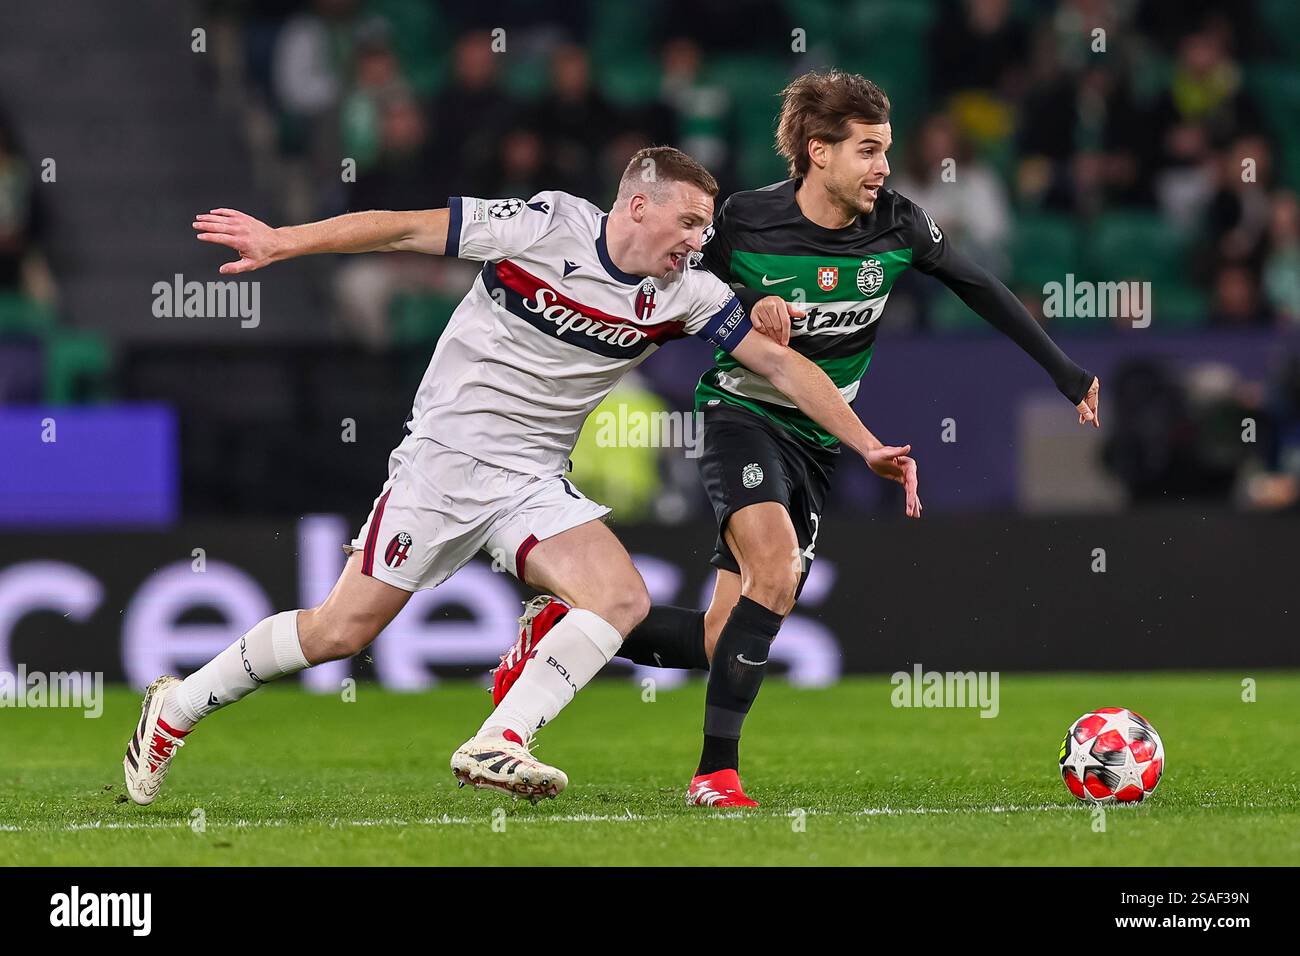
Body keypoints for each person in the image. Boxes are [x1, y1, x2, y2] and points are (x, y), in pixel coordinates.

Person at [122, 145, 920, 805]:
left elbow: (778, 365)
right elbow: (403, 231)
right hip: (443, 465)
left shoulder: (687, 294)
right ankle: (176, 707)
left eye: (705, 229)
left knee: (621, 598)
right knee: (339, 632)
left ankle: (499, 739)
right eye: (688, 222)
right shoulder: (541, 226)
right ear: (636, 207)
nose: (696, 241)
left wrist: (866, 442)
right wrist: (286, 241)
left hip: (532, 478)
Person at [492, 71, 1101, 807]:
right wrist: (749, 300)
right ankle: (715, 775)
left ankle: (566, 627)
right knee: (775, 572)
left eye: (886, 150)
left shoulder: (899, 225)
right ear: (819, 151)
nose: (884, 166)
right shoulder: (744, 221)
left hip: (817, 439)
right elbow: (670, 279)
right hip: (741, 417)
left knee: (724, 639)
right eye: (869, 150)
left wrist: (1066, 373)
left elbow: (980, 288)